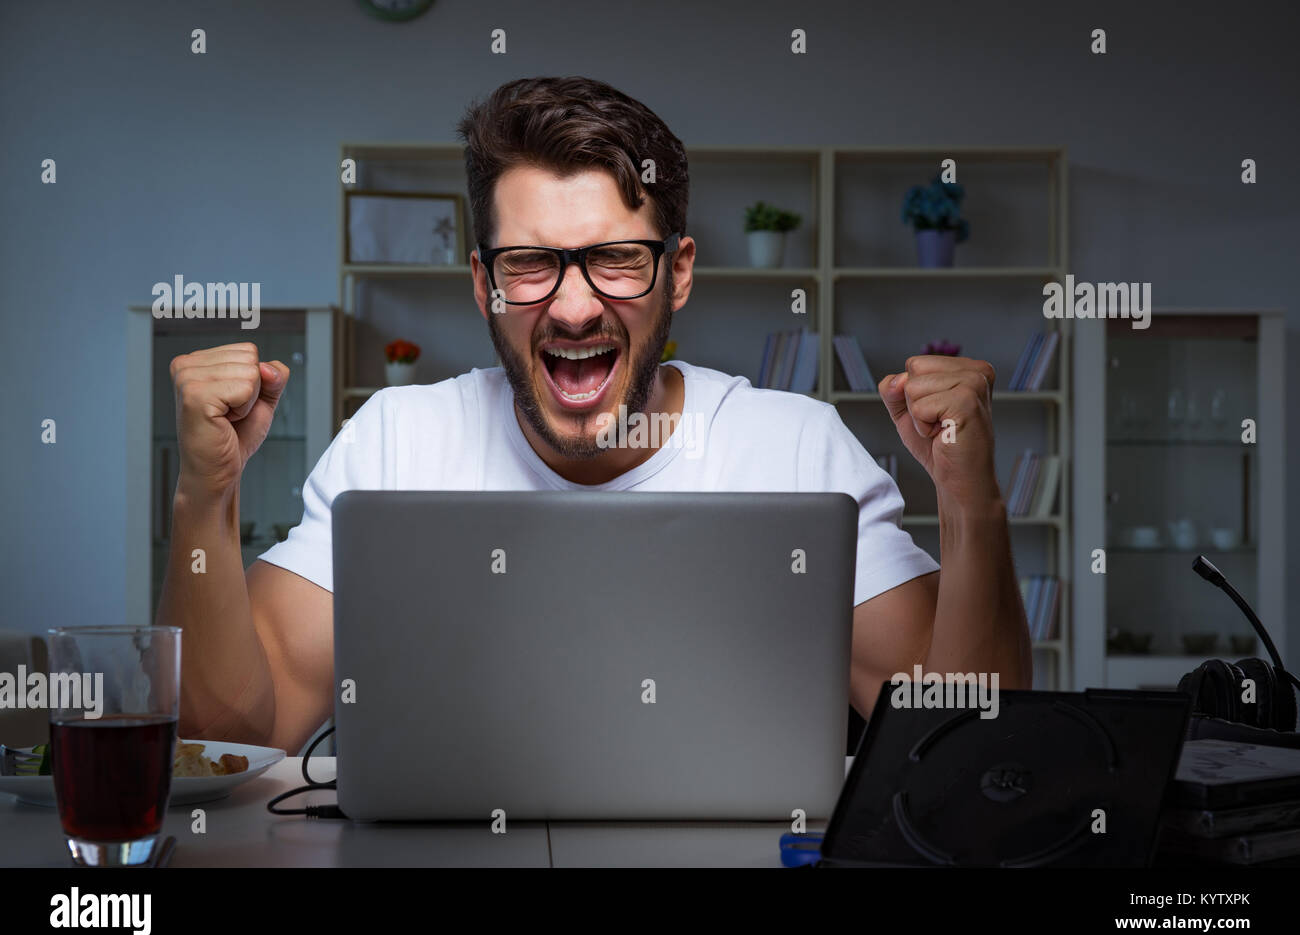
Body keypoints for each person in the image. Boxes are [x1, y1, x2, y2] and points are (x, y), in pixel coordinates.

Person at [159, 76, 1030, 756]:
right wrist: (206, 496)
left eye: (616, 259)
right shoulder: (396, 440)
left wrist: (971, 501)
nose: (575, 309)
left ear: (678, 273)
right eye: (532, 263)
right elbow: (236, 741)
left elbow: (966, 747)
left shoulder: (793, 446)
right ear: (483, 283)